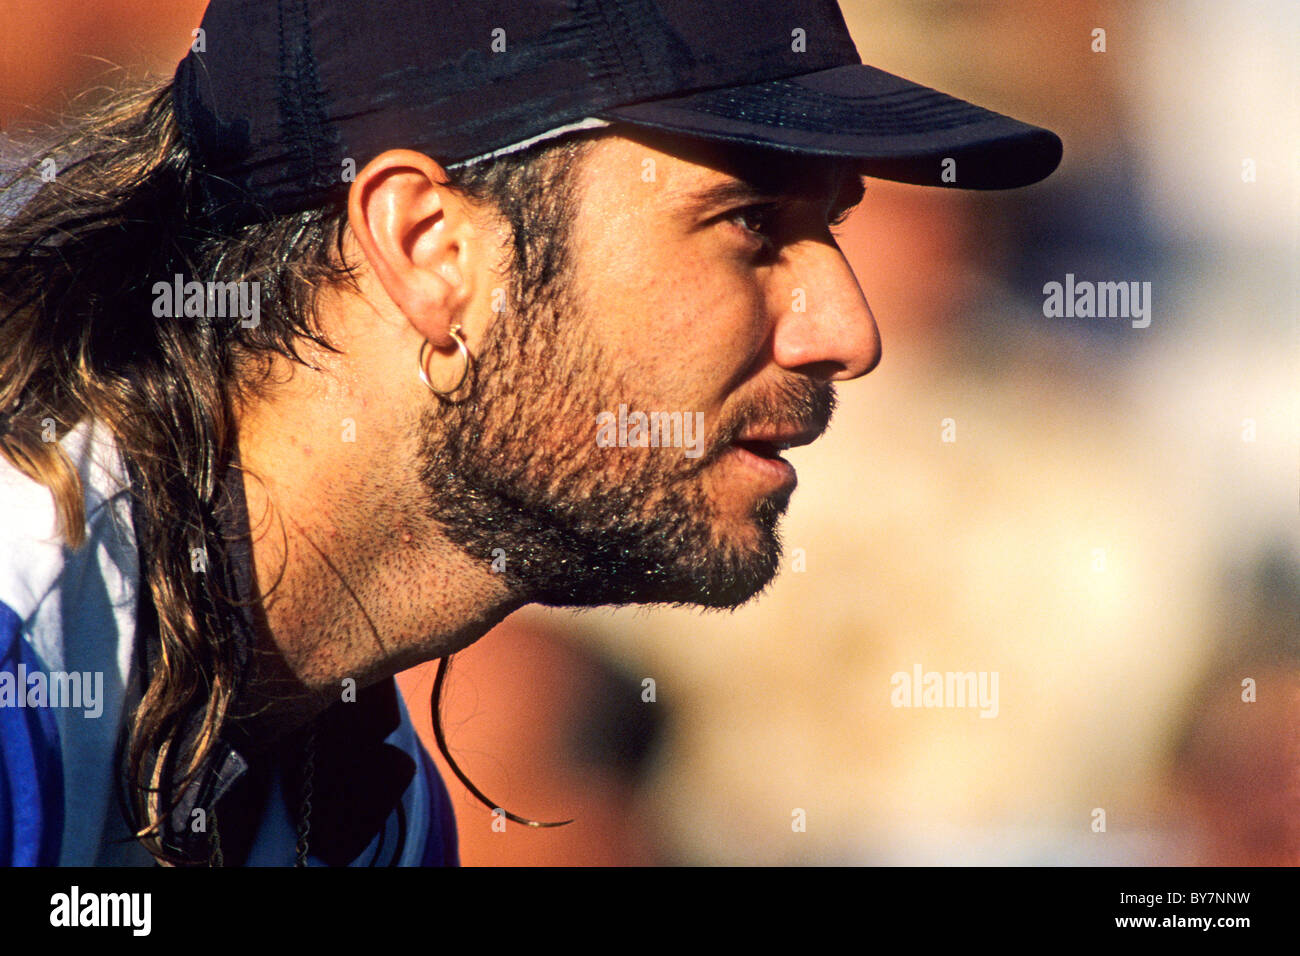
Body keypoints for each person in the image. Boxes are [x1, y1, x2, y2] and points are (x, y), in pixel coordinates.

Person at [0, 0, 1061, 866]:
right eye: (749, 219)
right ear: (429, 248)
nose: (848, 331)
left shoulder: (368, 788)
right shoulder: (23, 618)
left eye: (825, 226)